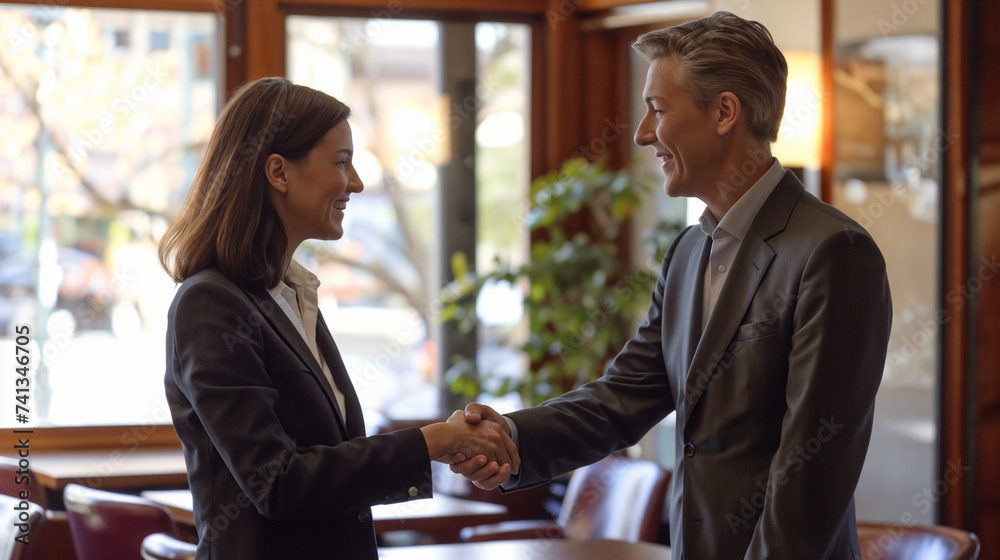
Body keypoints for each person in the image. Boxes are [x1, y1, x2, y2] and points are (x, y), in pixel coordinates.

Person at [451, 11, 892, 559]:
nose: (641, 134)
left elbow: (813, 472)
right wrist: (510, 439)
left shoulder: (833, 252)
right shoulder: (687, 252)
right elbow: (621, 399)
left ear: (725, 112)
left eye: (657, 110)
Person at [158, 77, 518, 560]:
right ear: (279, 172)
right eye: (342, 162)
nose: (356, 183)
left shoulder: (289, 294)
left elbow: (329, 465)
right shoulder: (211, 305)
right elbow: (278, 484)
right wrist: (432, 441)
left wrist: (444, 438)